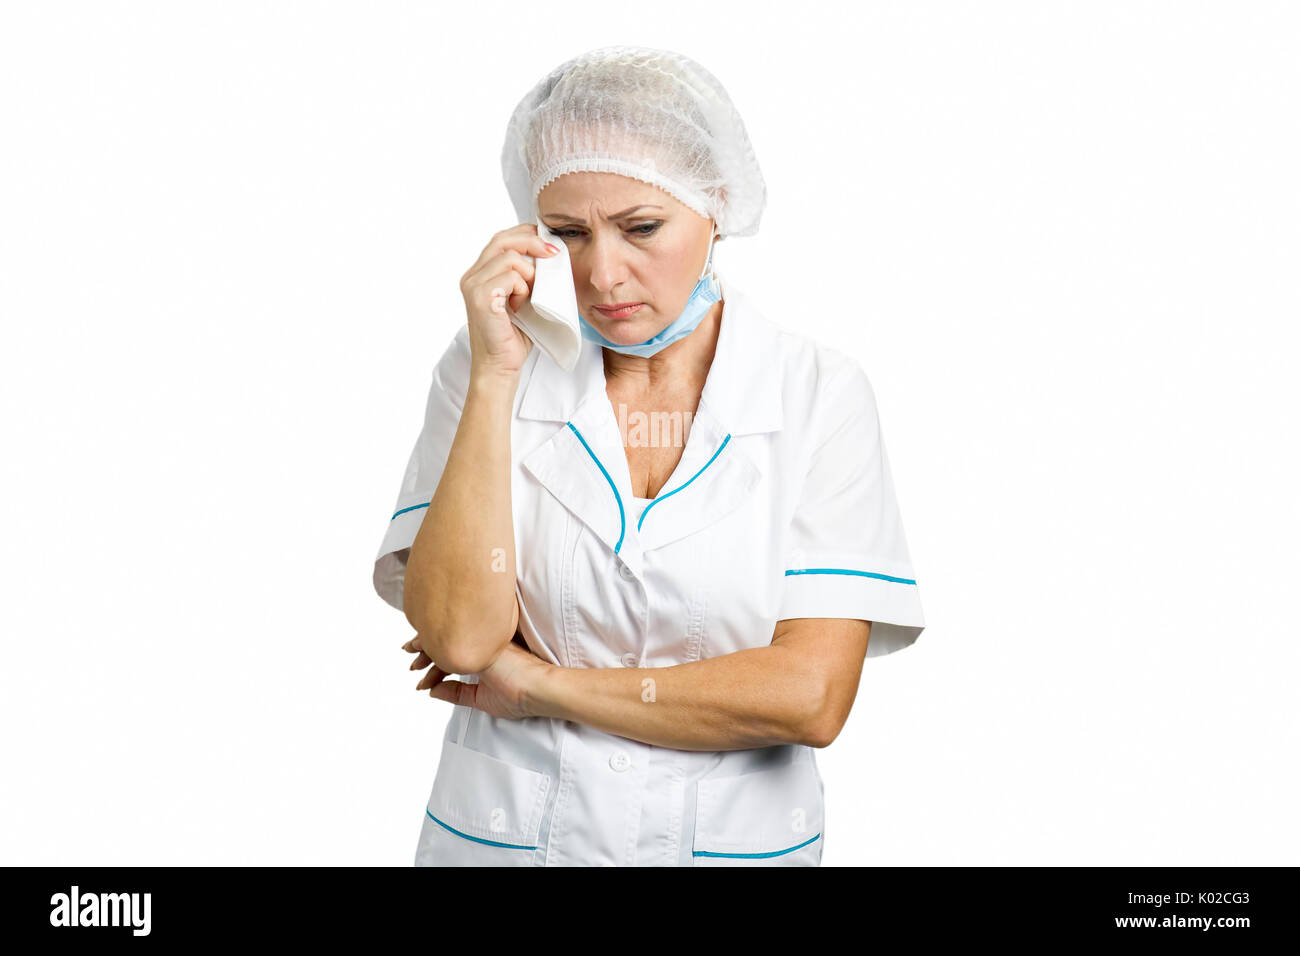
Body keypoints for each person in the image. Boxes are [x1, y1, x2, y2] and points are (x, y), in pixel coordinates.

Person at [372, 45, 926, 866]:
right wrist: (494, 374)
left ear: (720, 202)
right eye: (566, 233)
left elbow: (809, 696)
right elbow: (458, 635)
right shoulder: (490, 364)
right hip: (505, 841)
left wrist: (542, 686)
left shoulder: (818, 394)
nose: (602, 274)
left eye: (641, 227)